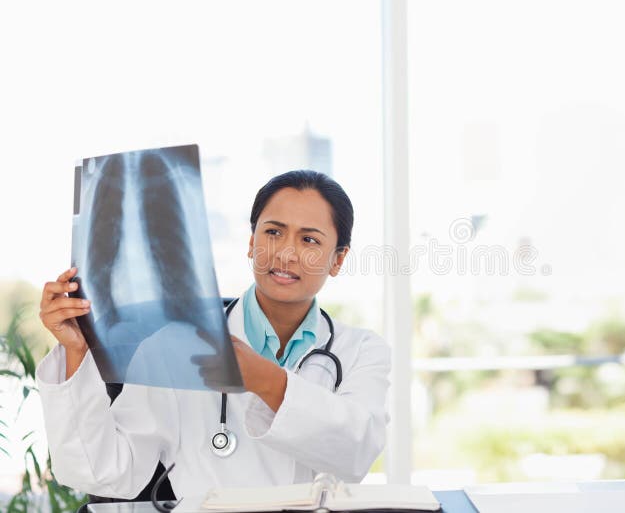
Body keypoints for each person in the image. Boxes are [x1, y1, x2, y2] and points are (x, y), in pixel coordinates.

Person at [36, 170, 391, 500]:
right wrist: (76, 352)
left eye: (309, 239)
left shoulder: (361, 351)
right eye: (273, 232)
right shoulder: (174, 346)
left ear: (338, 260)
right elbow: (105, 472)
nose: (285, 253)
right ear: (252, 243)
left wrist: (267, 381)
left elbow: (355, 455)